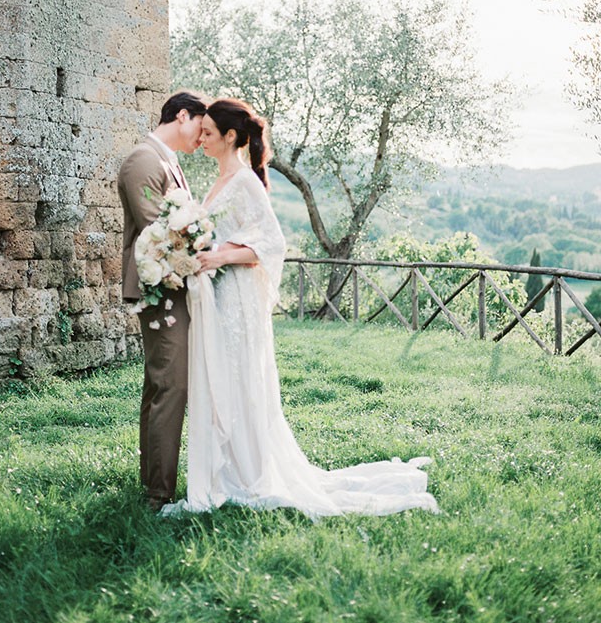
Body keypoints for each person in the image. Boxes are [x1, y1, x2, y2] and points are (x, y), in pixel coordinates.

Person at [162, 97, 439, 518]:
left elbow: (270, 244)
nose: (200, 139)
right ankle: (225, 469)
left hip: (236, 299)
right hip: (216, 298)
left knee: (238, 383)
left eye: (208, 133)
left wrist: (217, 256)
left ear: (230, 137)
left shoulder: (246, 182)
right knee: (220, 382)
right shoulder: (222, 180)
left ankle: (248, 474)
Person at [117, 90, 207, 510]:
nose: (201, 138)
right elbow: (157, 232)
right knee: (170, 386)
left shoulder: (170, 162)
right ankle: (159, 494)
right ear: (182, 115)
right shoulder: (143, 160)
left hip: (176, 286)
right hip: (160, 288)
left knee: (161, 385)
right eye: (199, 128)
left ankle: (152, 482)